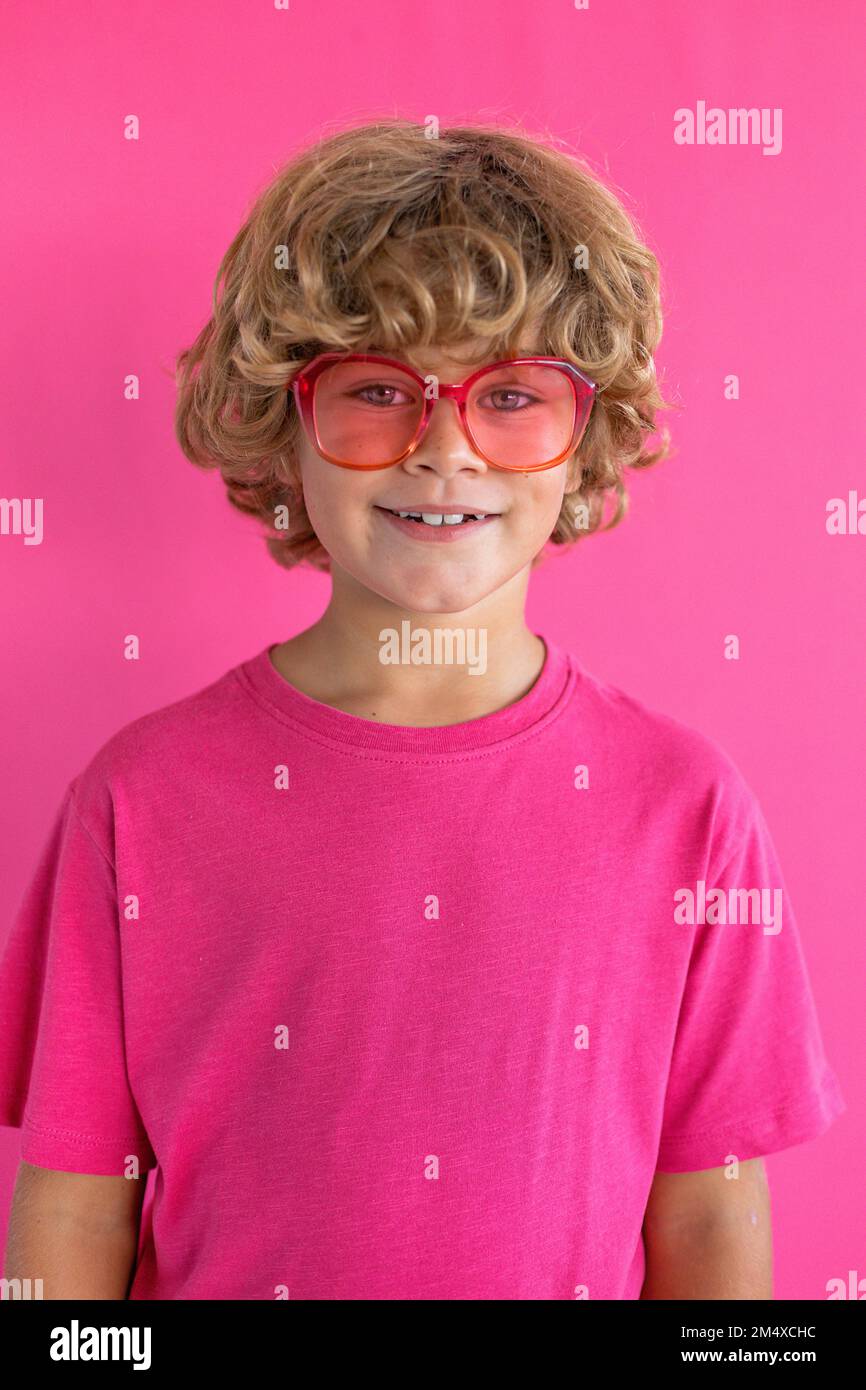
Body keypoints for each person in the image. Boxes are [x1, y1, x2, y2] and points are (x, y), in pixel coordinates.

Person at [0, 118, 844, 1300]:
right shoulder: (139, 797)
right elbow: (76, 1203)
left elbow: (707, 1220)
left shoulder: (685, 805)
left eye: (508, 395)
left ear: (582, 438)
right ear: (281, 422)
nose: (444, 451)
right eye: (378, 392)